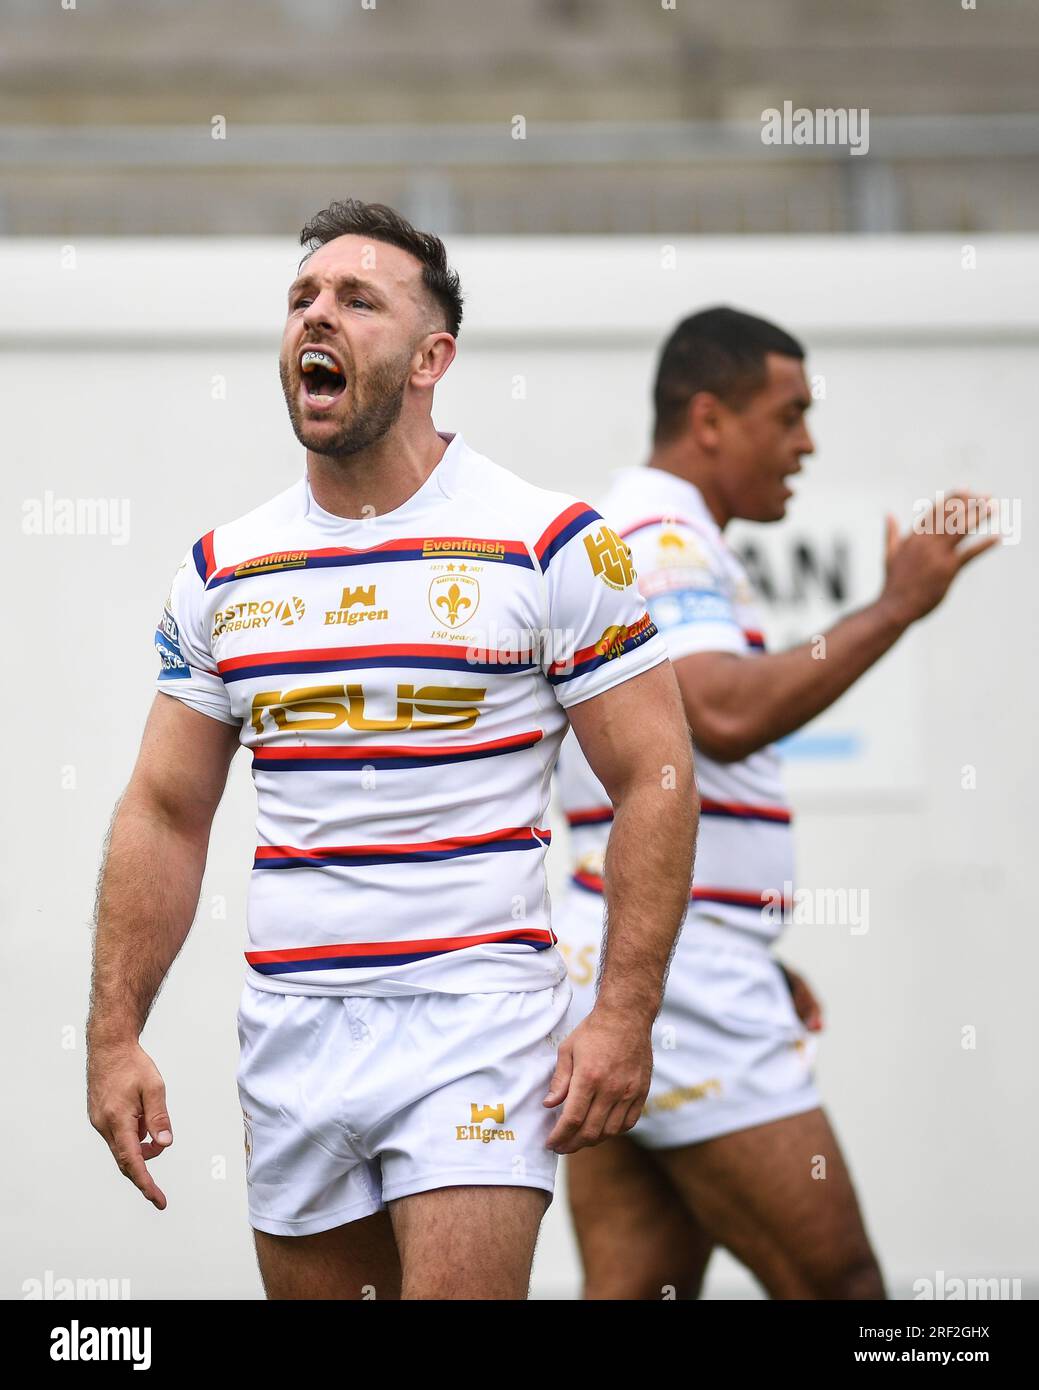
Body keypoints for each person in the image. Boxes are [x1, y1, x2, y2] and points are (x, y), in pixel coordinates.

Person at [86, 199, 696, 1300]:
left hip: (477, 1025)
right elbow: (164, 810)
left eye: (356, 299)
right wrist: (115, 1034)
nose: (317, 316)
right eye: (301, 300)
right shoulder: (226, 571)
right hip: (293, 1033)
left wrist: (621, 1013)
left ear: (430, 358)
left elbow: (657, 776)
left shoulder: (549, 543)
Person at [554, 306, 999, 1300]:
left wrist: (736, 933)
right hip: (680, 982)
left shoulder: (645, 530)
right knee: (842, 1284)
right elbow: (716, 710)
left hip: (645, 956)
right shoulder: (661, 533)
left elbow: (673, 756)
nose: (806, 442)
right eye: (789, 414)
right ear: (708, 418)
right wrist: (894, 605)